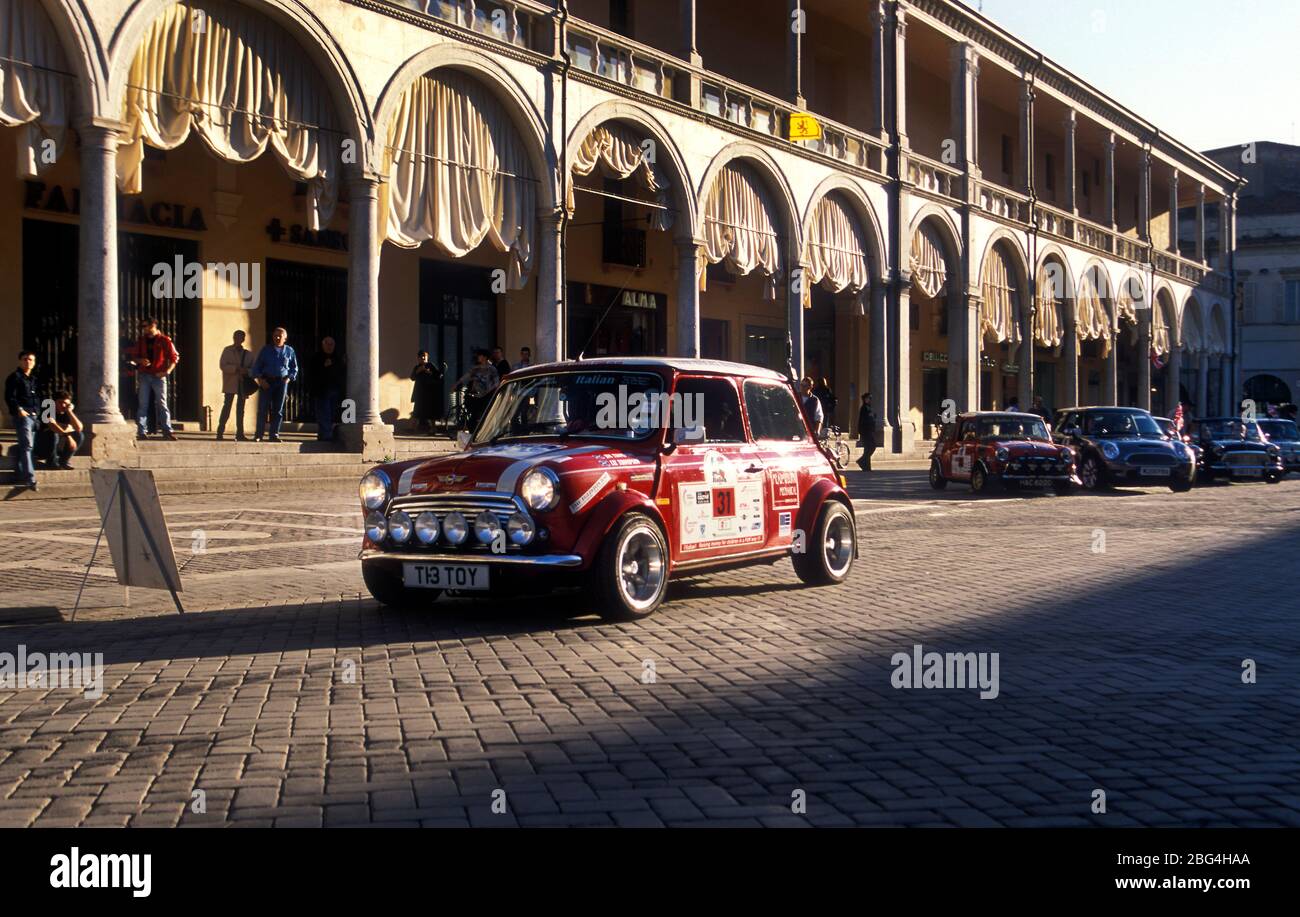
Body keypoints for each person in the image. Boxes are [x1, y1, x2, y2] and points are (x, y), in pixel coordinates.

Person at [126, 316, 179, 441]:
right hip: (144, 375)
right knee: (143, 404)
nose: (143, 329)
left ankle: (167, 430)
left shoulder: (164, 340)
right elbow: (134, 357)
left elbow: (174, 357)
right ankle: (141, 431)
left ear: (153, 326)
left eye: (145, 326)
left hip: (158, 376)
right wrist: (140, 361)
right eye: (142, 326)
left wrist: (166, 372)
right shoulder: (141, 340)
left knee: (162, 403)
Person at [251, 327, 298, 443]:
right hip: (266, 381)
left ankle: (274, 434)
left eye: (280, 336)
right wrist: (260, 380)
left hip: (281, 382)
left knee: (278, 410)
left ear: (285, 338)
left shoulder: (290, 351)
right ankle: (259, 435)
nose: (277, 338)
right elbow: (256, 367)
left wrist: (289, 378)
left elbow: (294, 368)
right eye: (275, 335)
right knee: (263, 409)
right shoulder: (266, 350)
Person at [4, 350, 39, 489]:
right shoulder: (14, 377)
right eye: (25, 359)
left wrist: (42, 415)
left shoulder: (34, 379)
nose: (28, 362)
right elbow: (10, 397)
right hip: (23, 416)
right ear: (20, 361)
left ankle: (19, 472)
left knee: (27, 446)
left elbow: (40, 398)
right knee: (27, 446)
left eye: (31, 359)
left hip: (34, 416)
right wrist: (19, 410)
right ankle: (30, 478)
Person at [217, 330, 254, 441]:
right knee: (226, 408)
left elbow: (254, 369)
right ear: (233, 338)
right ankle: (220, 432)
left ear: (243, 339)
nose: (238, 339)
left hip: (242, 385)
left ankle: (240, 434)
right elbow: (223, 365)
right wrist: (236, 369)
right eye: (236, 337)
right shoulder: (227, 351)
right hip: (230, 383)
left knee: (240, 410)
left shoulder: (248, 354)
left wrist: (246, 371)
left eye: (240, 337)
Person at [454, 349, 500, 431]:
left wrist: (489, 391)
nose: (478, 357)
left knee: (485, 414)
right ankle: (473, 432)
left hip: (487, 395)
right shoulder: (476, 368)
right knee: (474, 414)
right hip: (476, 395)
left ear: (485, 357)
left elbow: (496, 382)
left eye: (480, 356)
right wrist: (457, 383)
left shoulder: (492, 369)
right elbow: (467, 375)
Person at [36, 390, 83, 469]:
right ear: (54, 402)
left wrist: (69, 411)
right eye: (60, 403)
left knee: (79, 435)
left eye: (66, 404)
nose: (63, 405)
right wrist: (68, 436)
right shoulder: (47, 410)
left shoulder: (67, 412)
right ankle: (51, 463)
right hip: (41, 447)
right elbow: (53, 426)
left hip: (58, 446)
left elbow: (79, 428)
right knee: (53, 434)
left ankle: (64, 461)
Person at [310, 336, 345, 442]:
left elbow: (341, 373)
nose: (329, 346)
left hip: (334, 390)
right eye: (327, 344)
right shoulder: (317, 357)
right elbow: (312, 374)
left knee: (331, 413)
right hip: (321, 391)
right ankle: (326, 435)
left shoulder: (337, 358)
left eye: (331, 344)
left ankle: (323, 434)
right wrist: (324, 367)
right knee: (323, 413)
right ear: (323, 345)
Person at [409, 350, 444, 434]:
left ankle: (433, 428)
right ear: (418, 358)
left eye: (425, 356)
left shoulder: (430, 365)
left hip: (430, 392)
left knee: (430, 411)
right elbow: (412, 377)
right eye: (421, 357)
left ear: (427, 357)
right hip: (419, 392)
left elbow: (438, 376)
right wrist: (419, 370)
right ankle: (413, 428)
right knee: (417, 410)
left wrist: (430, 372)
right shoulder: (417, 367)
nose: (423, 358)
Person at [856, 393, 876, 472]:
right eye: (868, 398)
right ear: (865, 399)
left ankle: (866, 466)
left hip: (869, 430)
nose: (870, 400)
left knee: (868, 448)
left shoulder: (868, 408)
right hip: (866, 431)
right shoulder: (864, 408)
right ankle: (862, 461)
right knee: (871, 447)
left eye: (870, 398)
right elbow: (863, 420)